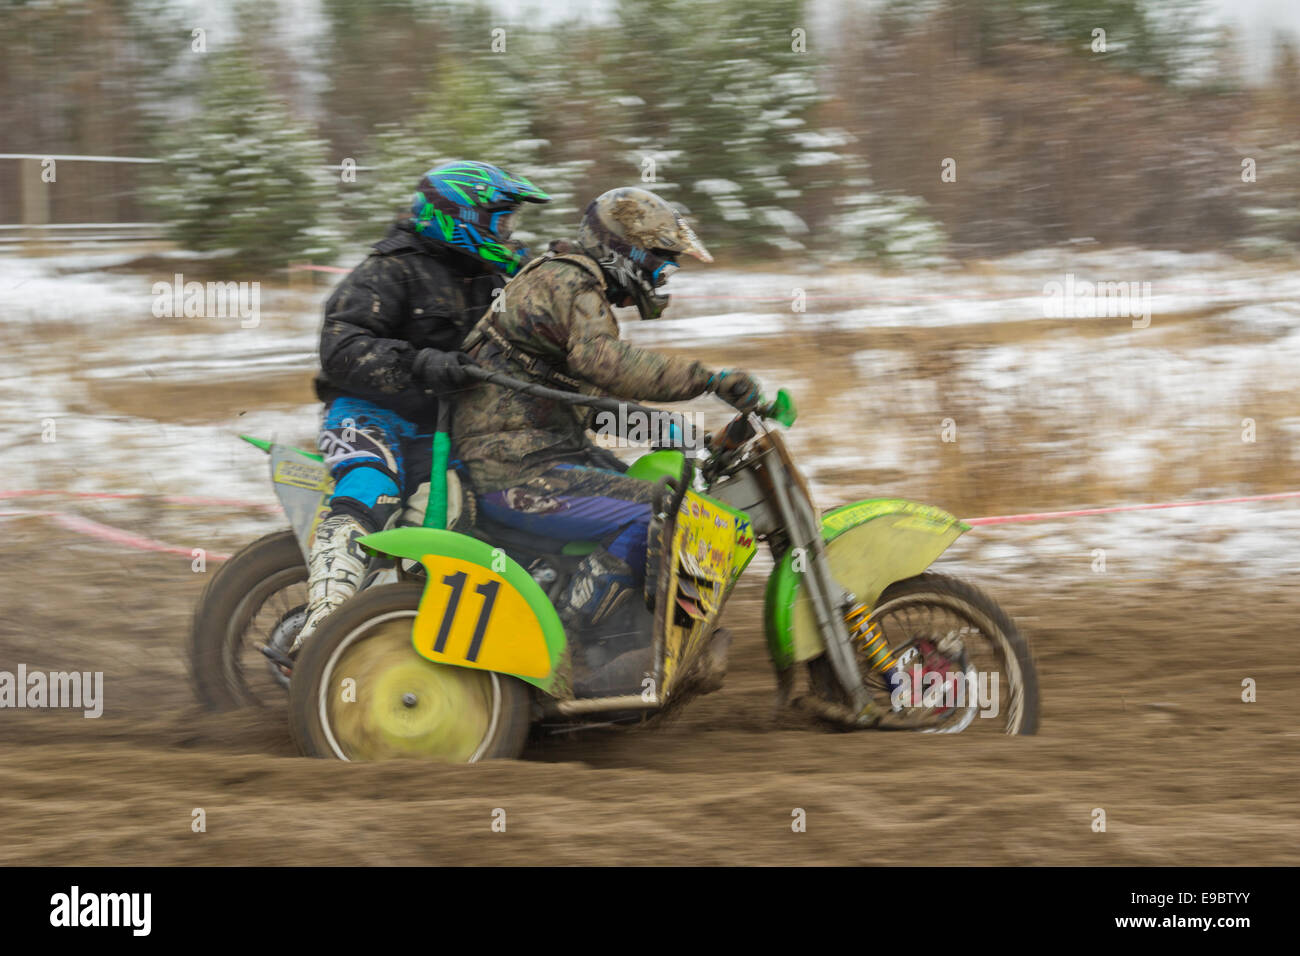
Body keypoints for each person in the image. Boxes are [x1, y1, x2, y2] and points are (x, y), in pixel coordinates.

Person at [453, 186, 763, 680]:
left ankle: (620, 637)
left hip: (538, 453)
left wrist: (683, 435)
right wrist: (708, 379)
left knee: (668, 493)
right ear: (625, 251)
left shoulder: (566, 283)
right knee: (661, 517)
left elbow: (585, 404)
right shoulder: (569, 282)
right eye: (659, 262)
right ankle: (567, 645)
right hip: (515, 469)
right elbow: (604, 364)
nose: (662, 275)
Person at [294, 161, 551, 650]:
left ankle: (411, 629)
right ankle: (324, 625)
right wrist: (417, 362)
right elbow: (340, 345)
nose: (508, 231)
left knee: (459, 515)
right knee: (372, 487)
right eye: (499, 220)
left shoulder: (492, 273)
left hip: (439, 428)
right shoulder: (390, 269)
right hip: (366, 414)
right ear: (459, 216)